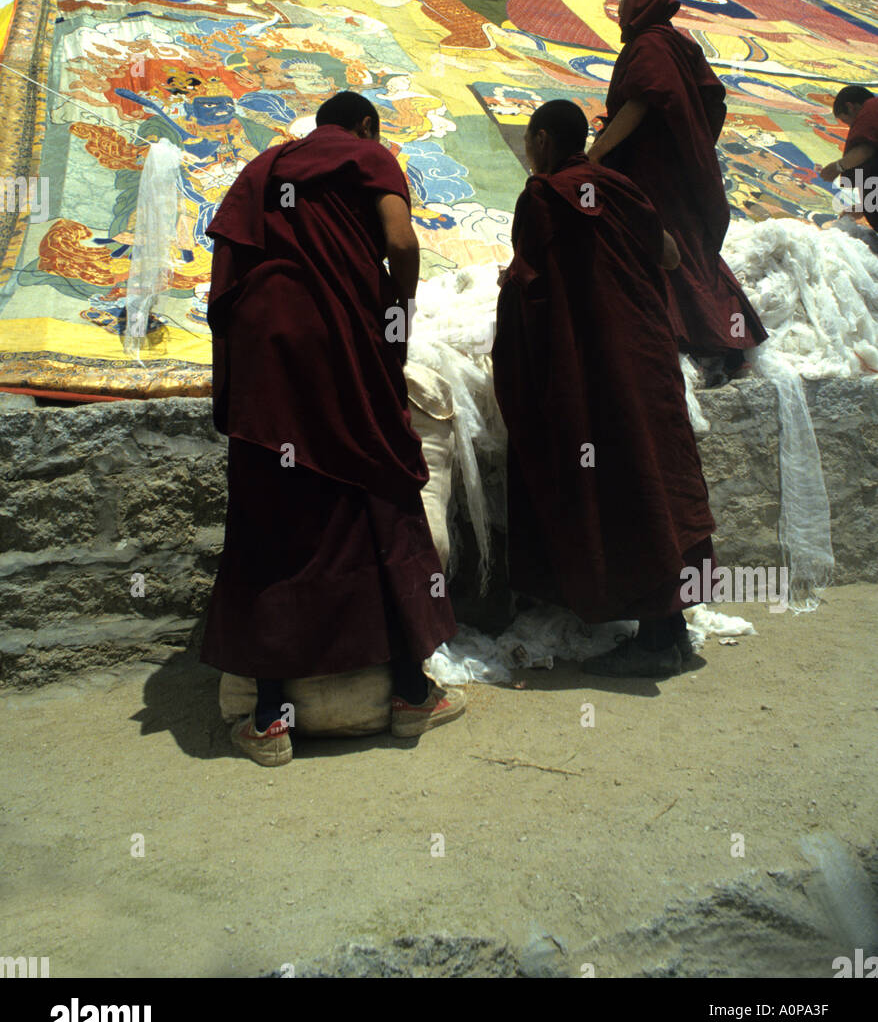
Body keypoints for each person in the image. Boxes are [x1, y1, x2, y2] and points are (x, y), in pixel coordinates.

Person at [202, 91, 463, 764]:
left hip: (268, 358)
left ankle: (269, 721)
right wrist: (395, 310)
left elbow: (225, 278)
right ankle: (410, 693)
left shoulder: (268, 167)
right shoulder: (368, 155)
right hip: (339, 350)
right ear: (368, 126)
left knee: (271, 521)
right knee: (375, 497)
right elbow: (400, 241)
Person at [492, 100, 718, 677]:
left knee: (624, 486)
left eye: (528, 141)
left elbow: (532, 286)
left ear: (543, 140)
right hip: (647, 357)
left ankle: (655, 642)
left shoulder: (544, 195)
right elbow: (666, 254)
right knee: (657, 476)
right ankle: (670, 628)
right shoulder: (618, 186)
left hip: (595, 365)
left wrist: (514, 291)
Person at [588, 0, 767, 384]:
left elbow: (643, 100)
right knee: (691, 249)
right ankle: (726, 347)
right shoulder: (675, 43)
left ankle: (701, 342)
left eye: (623, 7)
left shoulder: (651, 46)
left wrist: (598, 153)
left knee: (668, 245)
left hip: (653, 168)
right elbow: (708, 99)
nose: (619, 15)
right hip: (678, 164)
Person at [820, 85, 878, 234]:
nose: (853, 127)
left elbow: (866, 148)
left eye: (848, 122)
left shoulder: (871, 109)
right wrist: (864, 207)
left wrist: (837, 167)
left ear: (850, 107)